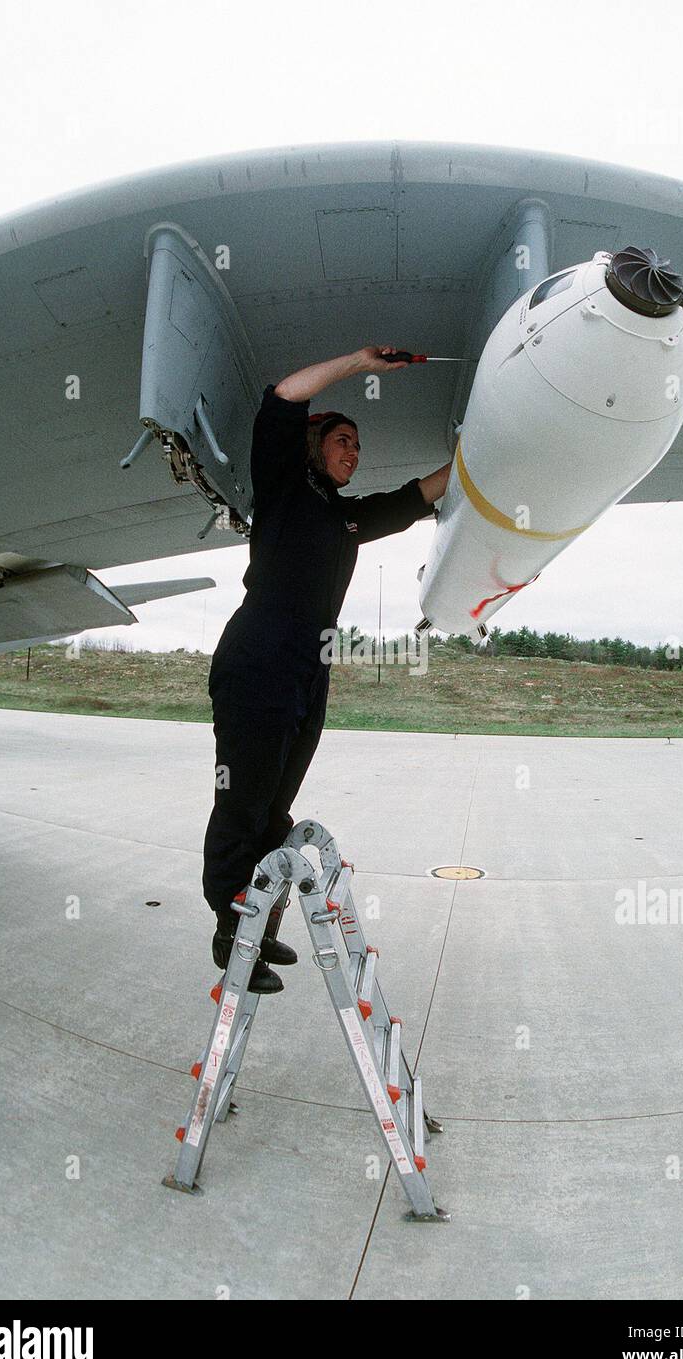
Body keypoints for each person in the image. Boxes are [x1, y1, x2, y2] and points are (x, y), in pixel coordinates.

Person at [202, 346, 450, 991]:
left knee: (275, 807)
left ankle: (257, 925)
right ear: (313, 445)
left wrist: (480, 460)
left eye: (358, 445)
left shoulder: (344, 518)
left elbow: (413, 497)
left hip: (308, 670)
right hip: (258, 657)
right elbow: (284, 395)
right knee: (244, 802)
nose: (354, 452)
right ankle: (231, 934)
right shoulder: (285, 487)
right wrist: (362, 362)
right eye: (344, 440)